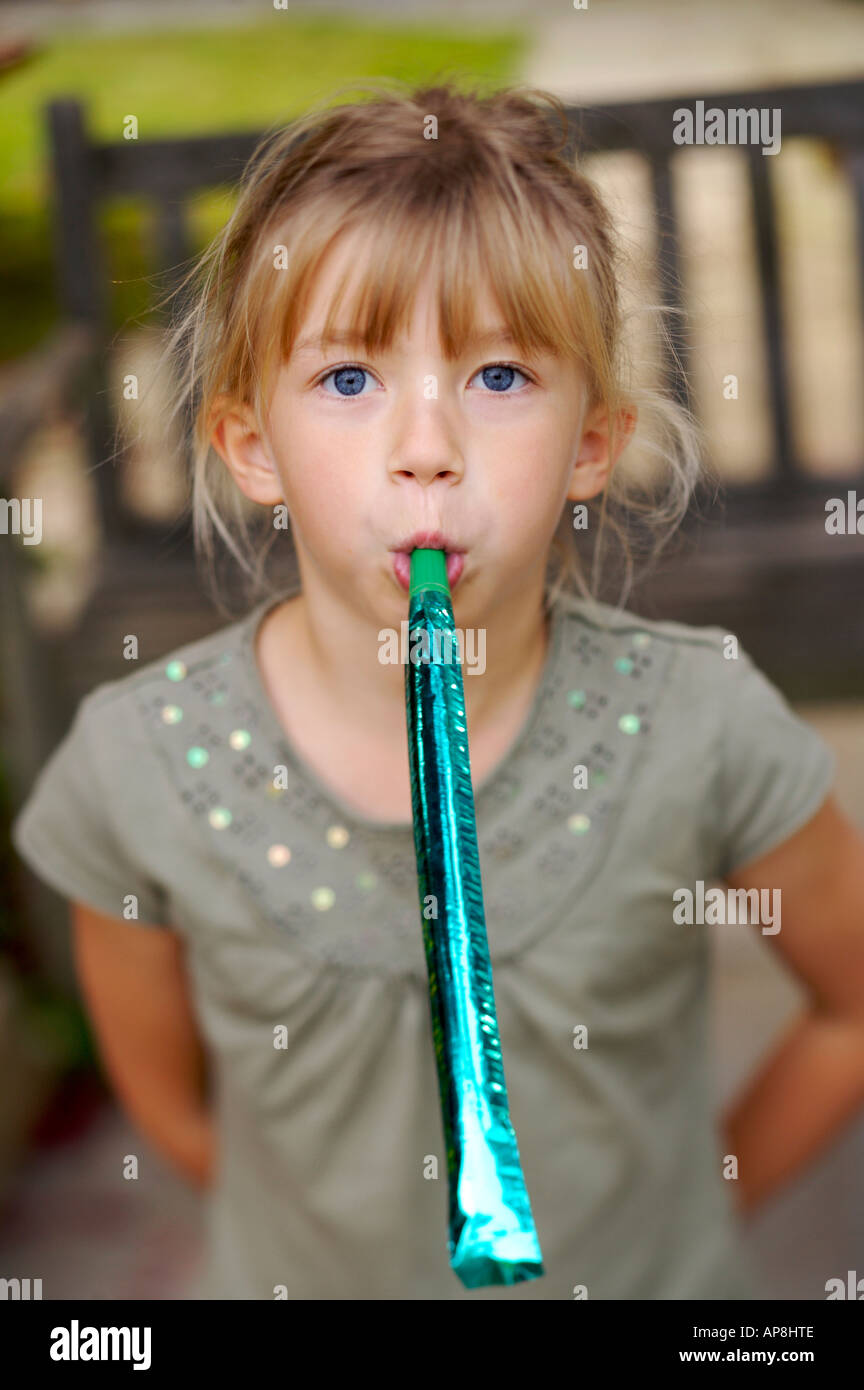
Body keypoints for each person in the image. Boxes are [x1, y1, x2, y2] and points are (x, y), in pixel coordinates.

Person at [11, 81, 864, 1301]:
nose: (428, 444)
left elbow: (852, 1007)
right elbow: (178, 1106)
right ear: (253, 446)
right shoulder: (136, 768)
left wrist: (694, 1208)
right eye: (349, 379)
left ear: (590, 444)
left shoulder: (702, 725)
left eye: (501, 375)